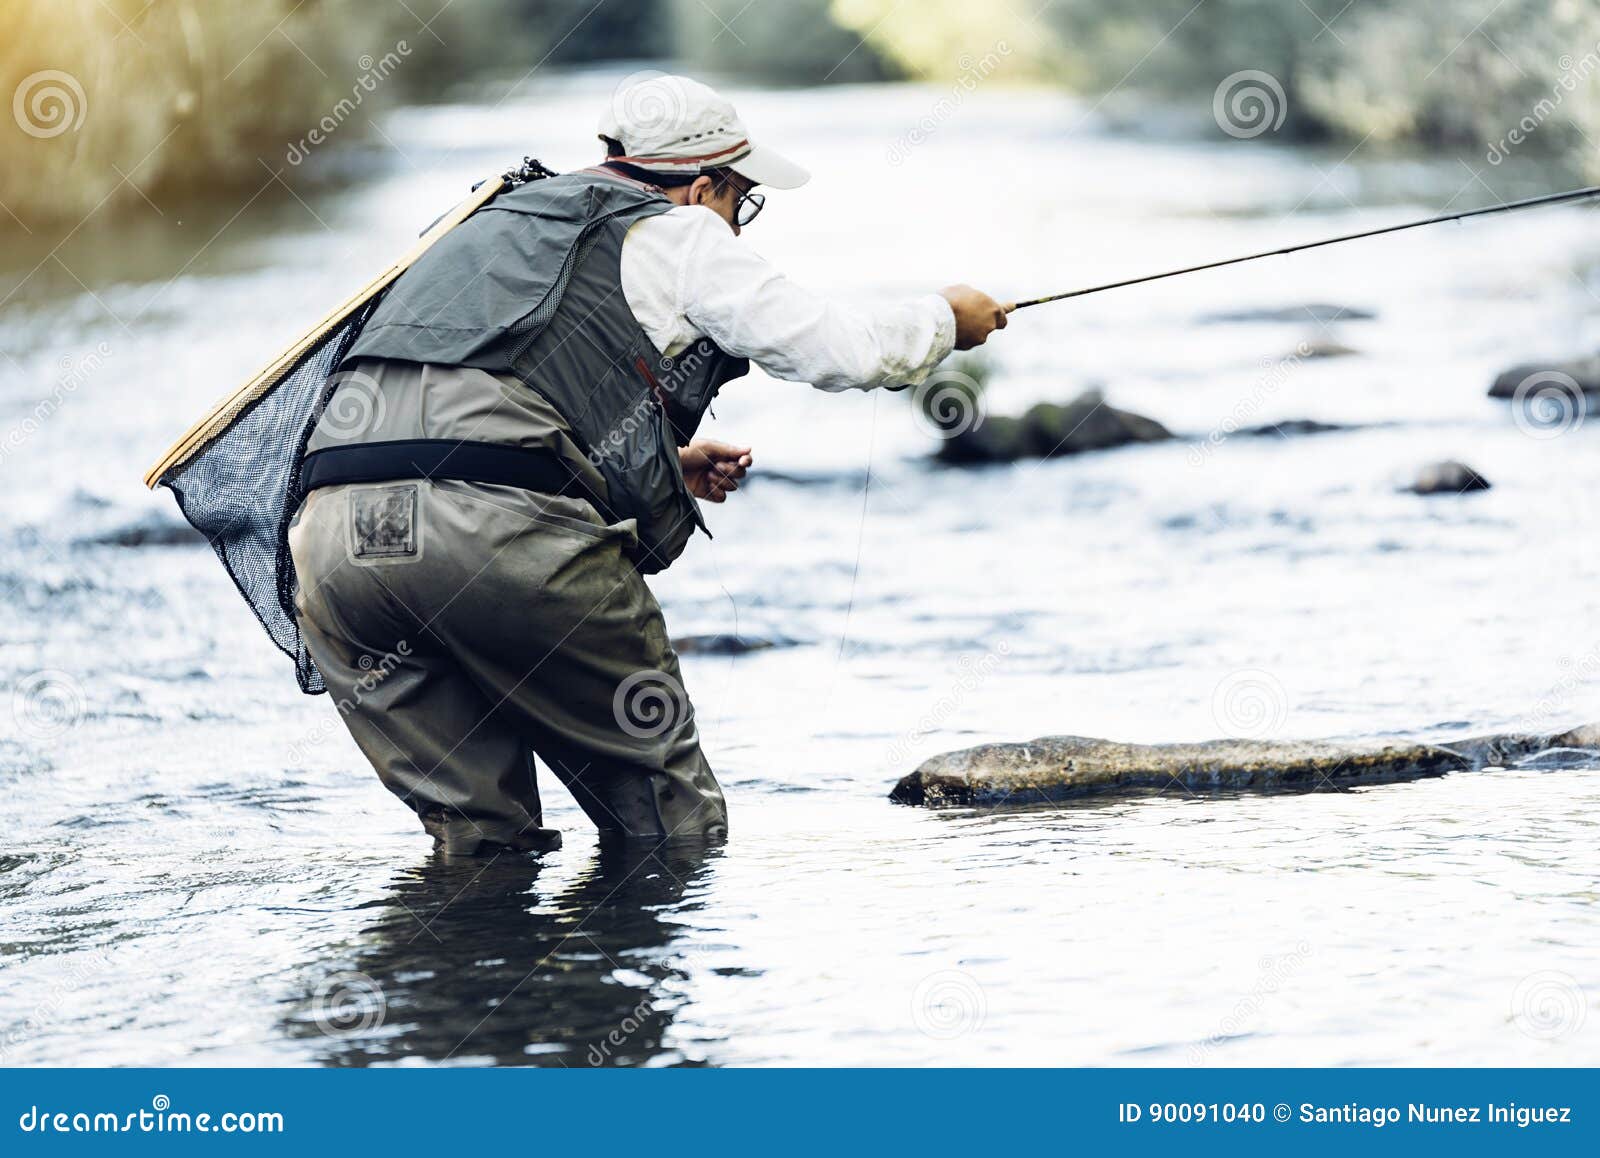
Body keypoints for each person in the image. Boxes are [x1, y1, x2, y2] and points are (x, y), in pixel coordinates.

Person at [287, 75, 1009, 856]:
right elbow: (841, 349)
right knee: (669, 828)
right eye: (742, 201)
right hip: (498, 532)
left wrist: (652, 459)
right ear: (704, 187)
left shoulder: (481, 221)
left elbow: (471, 393)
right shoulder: (680, 230)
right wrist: (945, 320)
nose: (737, 224)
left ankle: (468, 971)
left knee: (477, 838)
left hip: (330, 551)